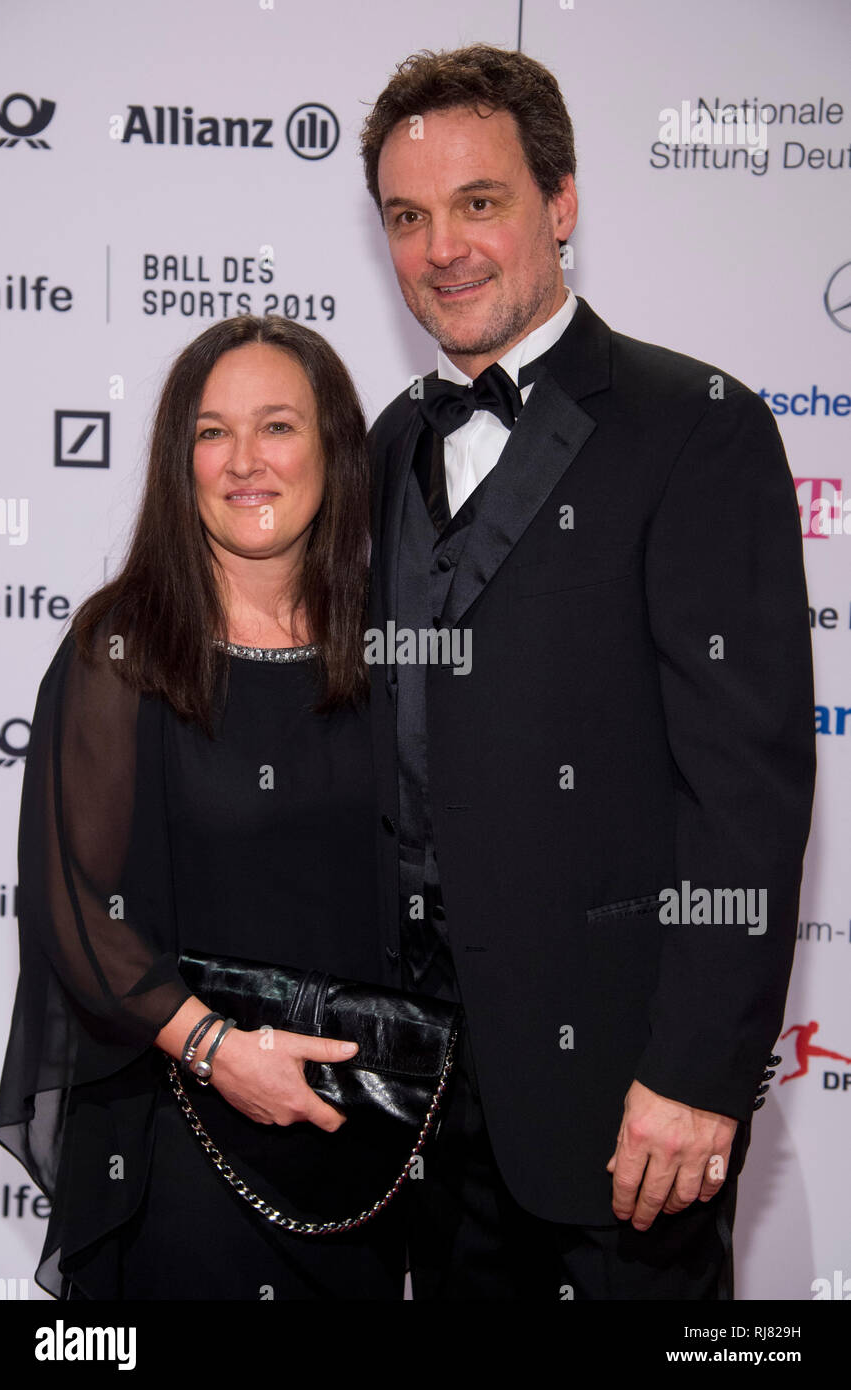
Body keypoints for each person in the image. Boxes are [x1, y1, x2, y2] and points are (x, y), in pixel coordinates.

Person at [359, 44, 816, 1299]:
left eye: (478, 202)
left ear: (559, 205)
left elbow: (747, 788)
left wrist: (692, 1077)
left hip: (626, 1111)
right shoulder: (390, 440)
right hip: (425, 1111)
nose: (441, 247)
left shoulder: (694, 423)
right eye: (407, 216)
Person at [0, 314, 408, 1300]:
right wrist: (216, 1050)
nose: (243, 461)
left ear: (332, 448)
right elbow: (73, 905)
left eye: (276, 426)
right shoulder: (122, 651)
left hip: (365, 1154)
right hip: (180, 1143)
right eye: (210, 431)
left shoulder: (392, 652)